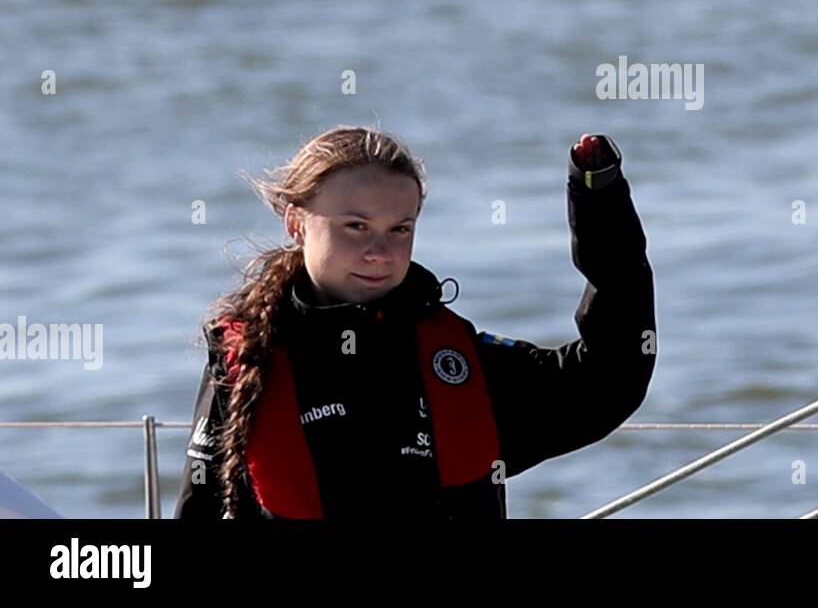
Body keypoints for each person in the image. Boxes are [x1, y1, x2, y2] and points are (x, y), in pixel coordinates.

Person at [172, 125, 655, 518]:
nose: (379, 252)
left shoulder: (454, 361)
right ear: (297, 224)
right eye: (355, 226)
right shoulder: (245, 362)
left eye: (399, 229)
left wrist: (600, 203)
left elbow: (610, 378)